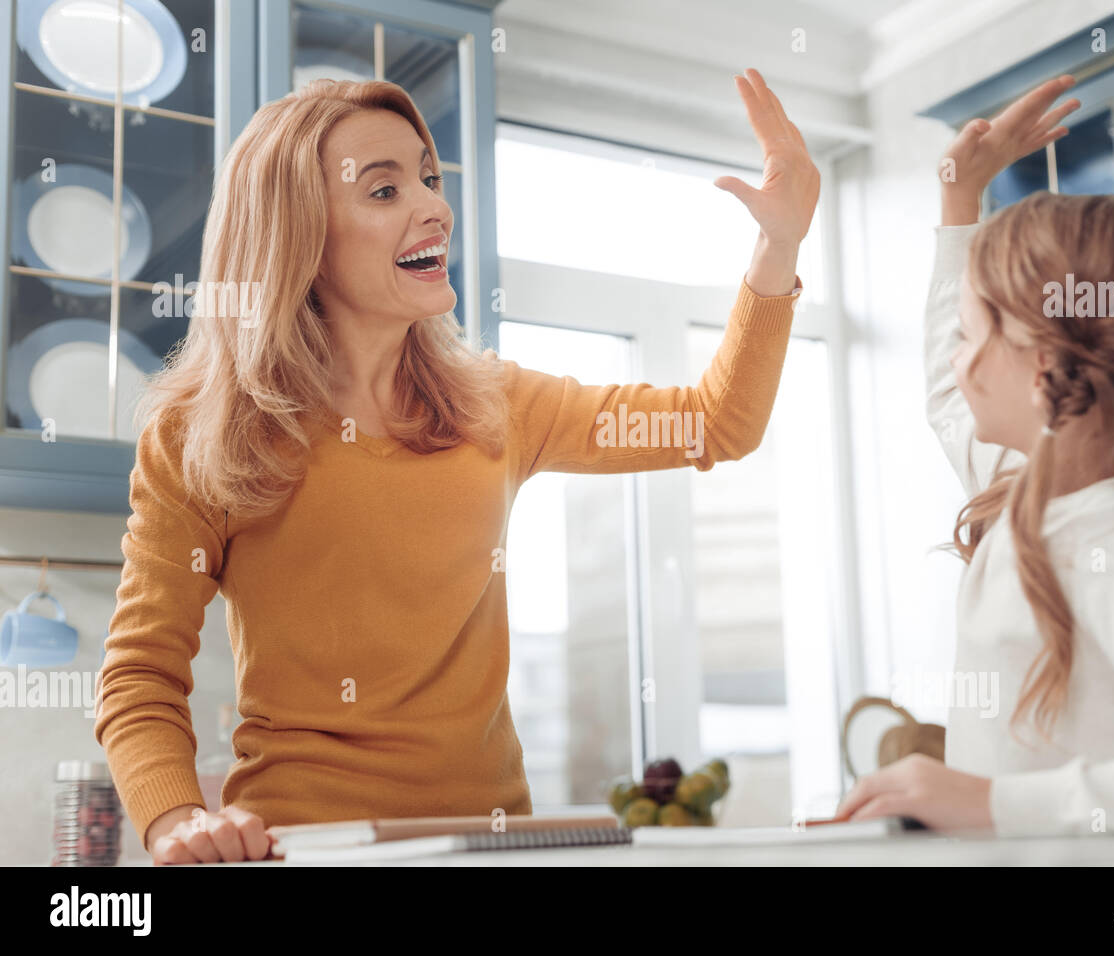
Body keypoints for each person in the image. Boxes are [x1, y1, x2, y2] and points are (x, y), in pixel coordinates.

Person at [95, 68, 819, 863]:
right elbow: (141, 674)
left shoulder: (495, 405)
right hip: (303, 849)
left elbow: (714, 424)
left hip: (491, 846)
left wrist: (777, 244)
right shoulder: (203, 436)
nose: (434, 206)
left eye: (429, 178)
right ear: (297, 232)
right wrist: (175, 821)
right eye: (383, 191)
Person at [835, 76, 1114, 836]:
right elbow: (943, 395)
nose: (957, 361)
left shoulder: (1101, 542)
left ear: (1042, 365)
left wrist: (986, 804)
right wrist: (960, 202)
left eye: (972, 333)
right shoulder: (1030, 488)